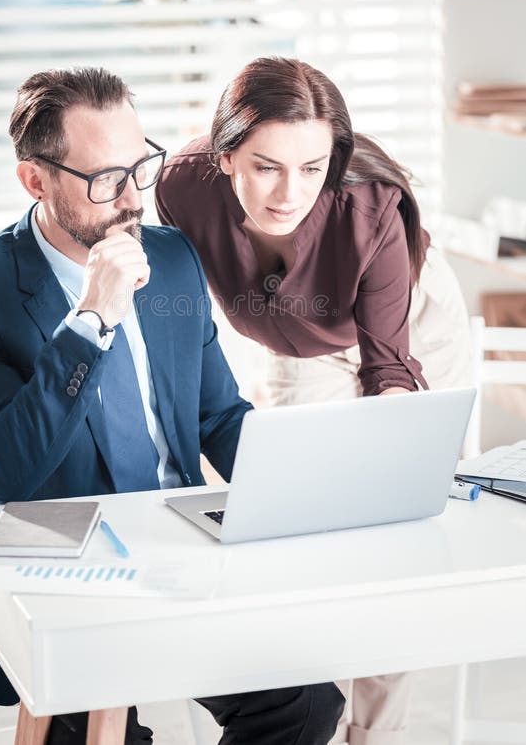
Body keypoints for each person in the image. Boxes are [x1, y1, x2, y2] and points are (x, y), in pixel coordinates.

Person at [0, 67, 345, 745]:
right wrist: (91, 320)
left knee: (302, 705)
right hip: (63, 573)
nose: (129, 200)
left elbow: (214, 416)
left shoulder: (173, 261)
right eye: (103, 180)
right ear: (36, 181)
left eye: (137, 168)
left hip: (180, 550)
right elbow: (8, 473)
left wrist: (296, 485)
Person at [155, 56, 472, 745]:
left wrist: (392, 470)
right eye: (265, 165)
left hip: (411, 331)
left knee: (389, 537)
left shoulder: (370, 205)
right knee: (297, 524)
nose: (287, 192)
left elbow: (390, 368)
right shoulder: (180, 187)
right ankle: (299, 717)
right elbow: (171, 316)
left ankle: (376, 735)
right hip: (297, 337)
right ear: (224, 154)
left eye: (311, 167)